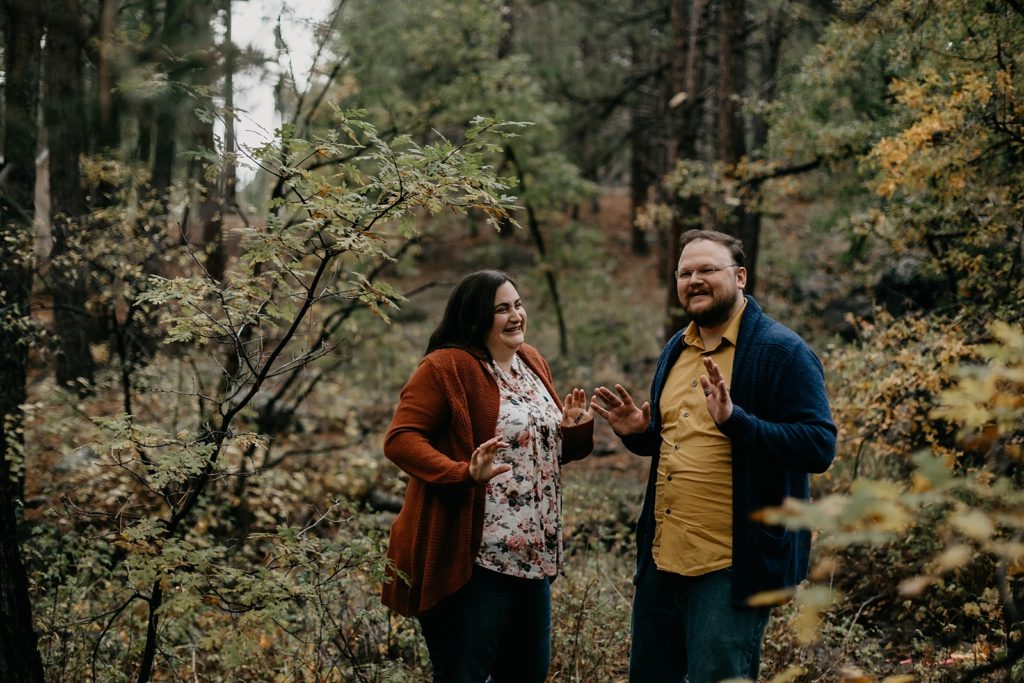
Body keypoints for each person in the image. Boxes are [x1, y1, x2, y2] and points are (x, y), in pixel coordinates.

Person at [591, 229, 836, 683]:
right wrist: (639, 434)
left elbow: (819, 446)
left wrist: (736, 421)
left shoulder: (783, 352)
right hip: (662, 558)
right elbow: (678, 441)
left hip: (730, 564)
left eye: (707, 269)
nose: (694, 280)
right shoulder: (677, 348)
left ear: (740, 276)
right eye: (685, 273)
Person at [381, 269, 594, 683]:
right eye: (501, 309)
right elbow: (401, 439)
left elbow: (543, 455)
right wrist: (462, 472)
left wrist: (572, 428)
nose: (515, 315)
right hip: (475, 564)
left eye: (517, 304)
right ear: (476, 317)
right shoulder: (446, 366)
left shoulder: (531, 361)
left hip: (532, 560)